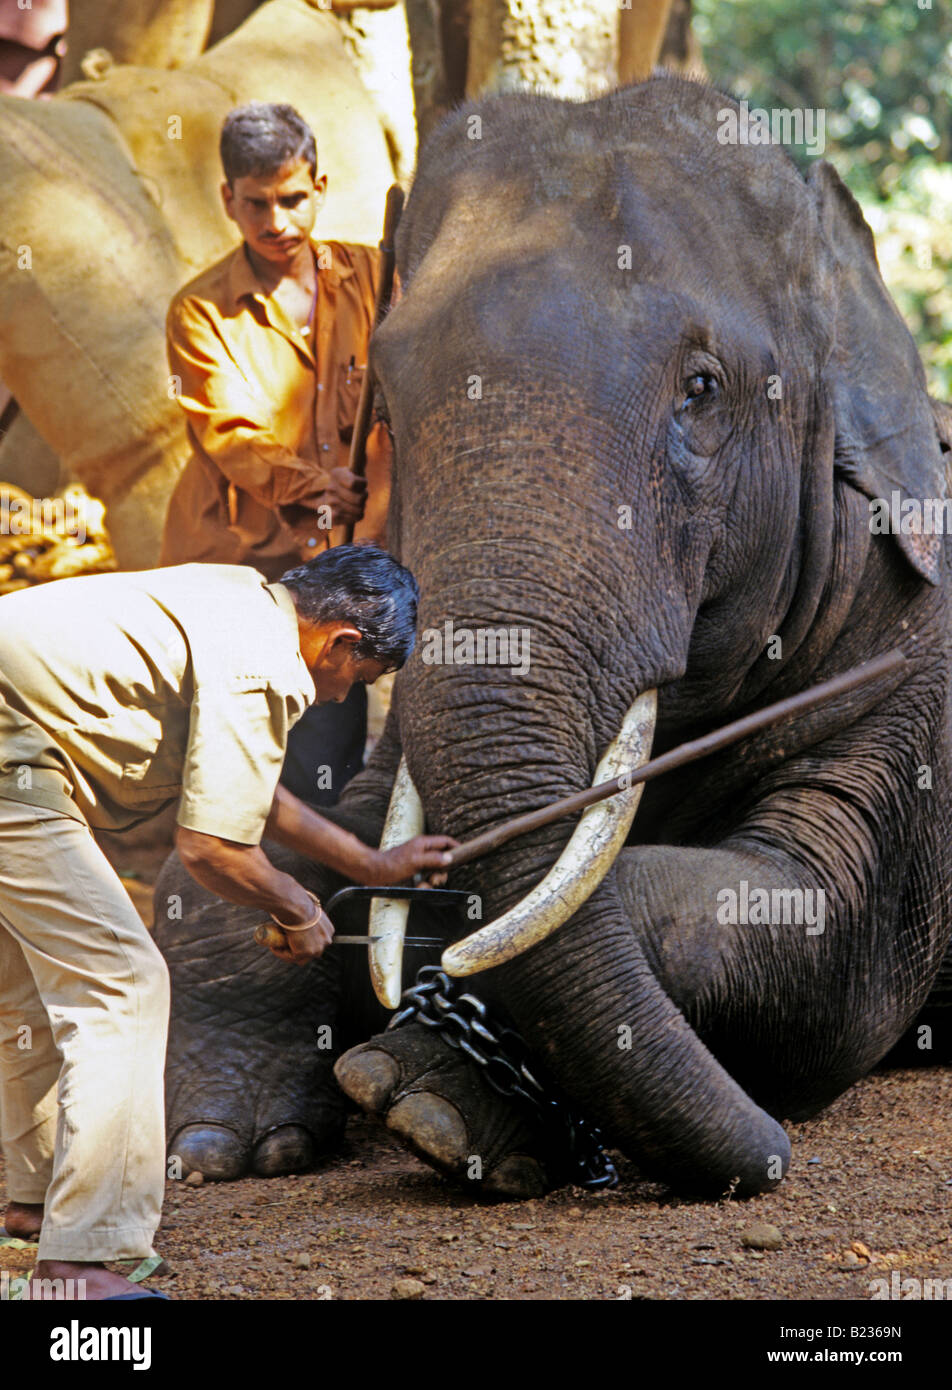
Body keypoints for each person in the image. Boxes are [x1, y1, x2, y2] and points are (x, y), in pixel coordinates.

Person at [0, 545, 455, 1299]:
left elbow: (250, 795)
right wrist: (296, 905)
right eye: (360, 680)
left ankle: (32, 1202)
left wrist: (371, 865)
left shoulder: (237, 604)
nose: (342, 700)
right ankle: (81, 1260)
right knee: (124, 986)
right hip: (14, 773)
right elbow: (212, 847)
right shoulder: (261, 665)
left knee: (27, 992)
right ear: (341, 642)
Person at [159, 101, 393, 805]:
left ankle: (312, 903)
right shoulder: (199, 312)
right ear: (228, 200)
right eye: (256, 204)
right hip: (242, 574)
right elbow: (232, 435)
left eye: (293, 199)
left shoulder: (379, 280)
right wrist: (315, 486)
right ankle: (258, 905)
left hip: (345, 575)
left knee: (327, 758)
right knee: (243, 769)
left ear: (320, 188)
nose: (277, 222)